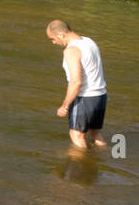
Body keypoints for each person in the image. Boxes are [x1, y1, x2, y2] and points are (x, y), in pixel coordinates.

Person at [46, 20, 108, 150]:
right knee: (95, 133)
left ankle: (79, 165)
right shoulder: (89, 41)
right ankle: (105, 158)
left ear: (61, 35)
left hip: (85, 98)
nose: (53, 42)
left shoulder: (71, 51)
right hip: (100, 96)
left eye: (52, 39)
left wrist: (65, 105)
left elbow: (76, 82)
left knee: (76, 135)